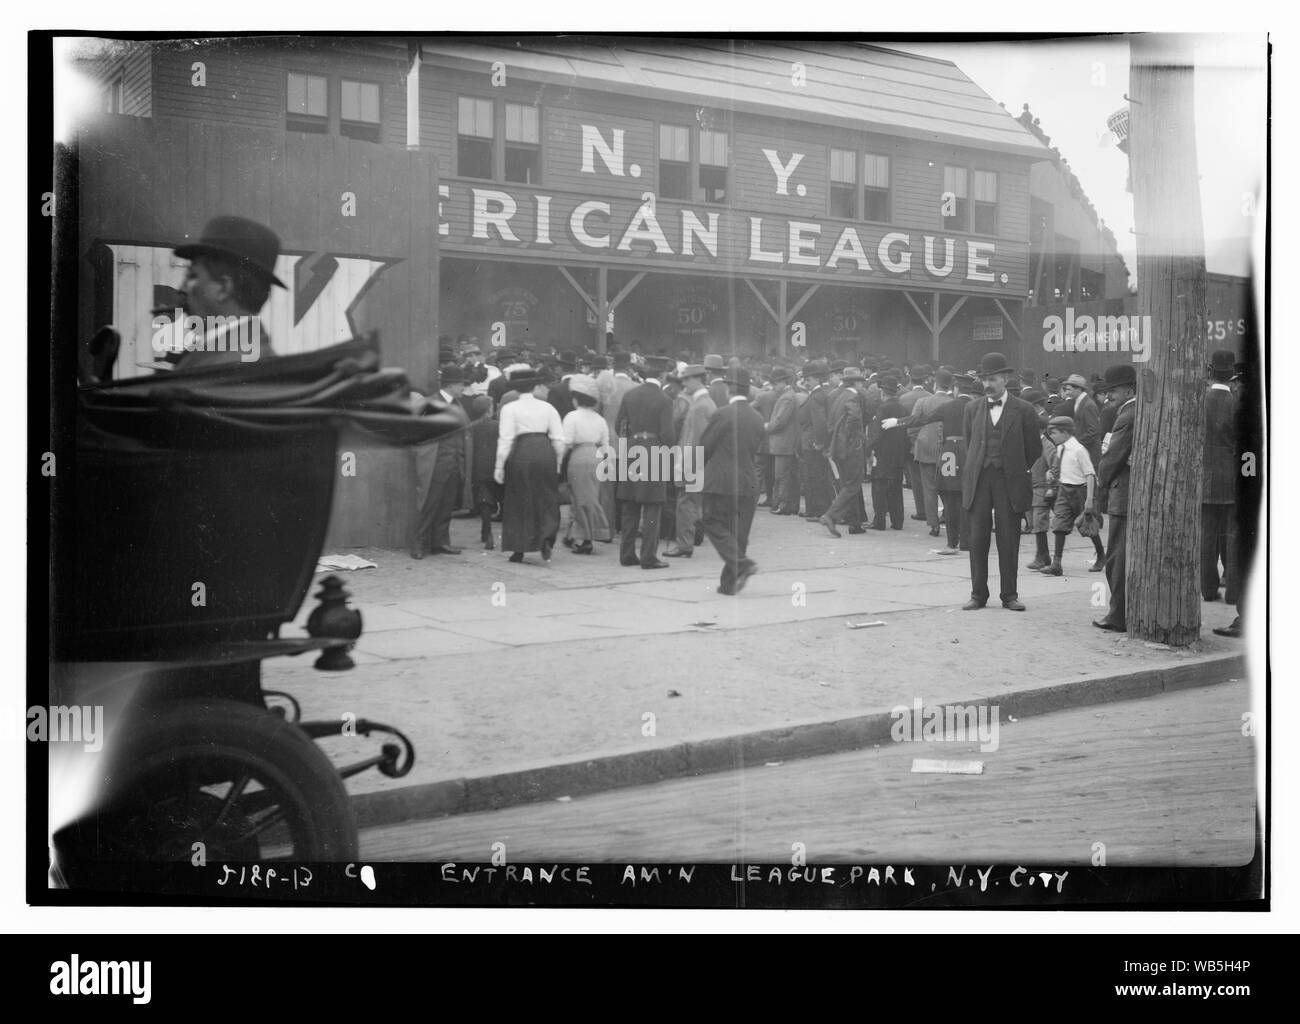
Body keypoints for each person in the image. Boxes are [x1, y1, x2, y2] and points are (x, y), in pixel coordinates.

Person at [961, 352, 1042, 611]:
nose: (987, 384)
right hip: (980, 480)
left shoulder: (1024, 410)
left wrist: (1015, 468)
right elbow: (969, 442)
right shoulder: (972, 408)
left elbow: (1034, 449)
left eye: (993, 379)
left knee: (1009, 539)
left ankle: (1009, 595)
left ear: (1006, 378)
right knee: (978, 539)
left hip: (1009, 480)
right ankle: (978, 595)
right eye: (984, 379)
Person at [171, 215, 283, 371]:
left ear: (223, 288)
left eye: (192, 276)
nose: (182, 289)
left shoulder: (228, 367)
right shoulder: (248, 358)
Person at [699, 368, 767, 595]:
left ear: (728, 388)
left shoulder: (722, 414)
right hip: (748, 481)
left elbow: (704, 448)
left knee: (712, 523)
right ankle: (728, 584)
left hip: (720, 481)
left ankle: (742, 563)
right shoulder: (757, 418)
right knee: (738, 534)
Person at [495, 369, 565, 564]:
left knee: (519, 499)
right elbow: (559, 439)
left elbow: (506, 439)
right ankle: (546, 539)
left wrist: (499, 466)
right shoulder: (548, 408)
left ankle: (519, 548)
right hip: (545, 451)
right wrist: (558, 462)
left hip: (522, 452)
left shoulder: (511, 409)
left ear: (516, 390)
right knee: (547, 497)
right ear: (534, 386)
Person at [615, 355, 676, 569]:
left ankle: (627, 554)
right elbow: (668, 434)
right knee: (652, 506)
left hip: (632, 449)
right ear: (663, 374)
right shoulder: (664, 399)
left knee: (630, 505)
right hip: (654, 451)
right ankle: (648, 557)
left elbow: (618, 426)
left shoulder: (630, 395)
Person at [1092, 363, 1138, 631]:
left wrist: (1101, 481)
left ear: (1129, 388)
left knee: (1116, 558)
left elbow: (1112, 458)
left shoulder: (1126, 416)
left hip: (1123, 493)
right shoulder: (1133, 411)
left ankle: (1117, 615)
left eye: (1114, 390)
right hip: (1130, 491)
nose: (1108, 396)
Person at [409, 365, 471, 559]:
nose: (464, 389)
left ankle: (440, 542)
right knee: (428, 505)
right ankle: (418, 545)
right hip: (434, 463)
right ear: (452, 385)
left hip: (452, 463)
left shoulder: (457, 404)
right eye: (462, 385)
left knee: (446, 505)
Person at [664, 365, 716, 558]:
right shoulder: (704, 402)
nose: (683, 383)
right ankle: (687, 541)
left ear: (697, 380)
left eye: (686, 380)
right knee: (692, 504)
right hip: (697, 462)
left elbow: (696, 440)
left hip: (692, 462)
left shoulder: (700, 405)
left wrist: (686, 467)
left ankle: (684, 545)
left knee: (685, 504)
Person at [1202, 349, 1239, 602]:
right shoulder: (1237, 403)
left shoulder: (1199, 401)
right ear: (1232, 375)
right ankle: (1233, 593)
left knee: (1206, 537)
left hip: (1205, 479)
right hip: (1232, 479)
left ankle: (1208, 589)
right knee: (1233, 538)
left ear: (1211, 372)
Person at [1038, 415, 1097, 577]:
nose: (1053, 436)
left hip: (1080, 491)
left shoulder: (1078, 449)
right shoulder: (1060, 448)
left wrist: (1089, 499)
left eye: (1055, 433)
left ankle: (1101, 554)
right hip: (1064, 490)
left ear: (1065, 432)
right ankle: (1056, 563)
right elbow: (1059, 467)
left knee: (1087, 526)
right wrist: (1051, 472)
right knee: (1059, 525)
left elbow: (1090, 474)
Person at [560, 375, 612, 555]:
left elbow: (566, 442)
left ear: (576, 399)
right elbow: (606, 444)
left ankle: (587, 538)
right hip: (596, 456)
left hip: (579, 457)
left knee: (580, 498)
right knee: (589, 496)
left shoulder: (571, 417)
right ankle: (573, 534)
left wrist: (558, 462)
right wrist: (608, 465)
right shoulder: (599, 419)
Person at [906, 367, 956, 539]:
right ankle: (949, 520)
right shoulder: (954, 402)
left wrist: (915, 441)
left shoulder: (923, 401)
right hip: (948, 450)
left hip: (926, 447)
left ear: (935, 383)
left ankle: (933, 525)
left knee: (929, 488)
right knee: (949, 488)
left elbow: (913, 423)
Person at [820, 367, 868, 537]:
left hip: (837, 447)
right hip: (850, 447)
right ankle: (830, 515)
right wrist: (854, 438)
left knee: (849, 483)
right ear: (856, 382)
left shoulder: (837, 396)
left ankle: (855, 523)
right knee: (852, 484)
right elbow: (854, 418)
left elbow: (830, 423)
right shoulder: (853, 396)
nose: (863, 385)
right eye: (861, 382)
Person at [1020, 389, 1057, 570]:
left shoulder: (1047, 445)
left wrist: (1051, 483)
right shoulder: (1037, 443)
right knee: (1037, 524)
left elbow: (1055, 466)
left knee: (1040, 524)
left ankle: (1043, 557)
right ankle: (1042, 555)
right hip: (1035, 487)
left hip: (1042, 489)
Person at [868, 376, 907, 529]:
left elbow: (877, 433)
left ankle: (879, 521)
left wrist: (869, 449)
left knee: (879, 487)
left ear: (883, 393)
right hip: (898, 453)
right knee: (896, 487)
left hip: (883, 454)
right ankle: (898, 521)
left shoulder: (882, 408)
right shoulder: (902, 408)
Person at [801, 360, 836, 521]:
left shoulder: (816, 396)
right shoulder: (820, 394)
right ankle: (818, 509)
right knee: (819, 476)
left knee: (814, 477)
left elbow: (819, 422)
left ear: (816, 378)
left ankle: (817, 510)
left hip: (812, 443)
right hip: (815, 441)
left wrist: (819, 442)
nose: (805, 382)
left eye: (808, 379)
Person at [765, 367, 801, 516]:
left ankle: (782, 505)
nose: (773, 387)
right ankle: (789, 505)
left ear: (781, 382)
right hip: (787, 443)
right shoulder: (788, 395)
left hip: (783, 444)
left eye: (774, 384)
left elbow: (780, 421)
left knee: (781, 476)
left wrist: (766, 426)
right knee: (787, 475)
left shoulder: (786, 397)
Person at [899, 364, 932, 520]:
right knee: (928, 478)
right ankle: (931, 509)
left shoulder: (903, 398)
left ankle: (921, 511)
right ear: (925, 380)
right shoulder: (930, 397)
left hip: (909, 441)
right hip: (927, 440)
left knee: (916, 479)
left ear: (910, 380)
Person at [468, 395, 501, 550]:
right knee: (497, 498)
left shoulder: (471, 426)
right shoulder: (498, 425)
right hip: (496, 466)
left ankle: (486, 532)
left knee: (484, 500)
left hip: (478, 468)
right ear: (489, 409)